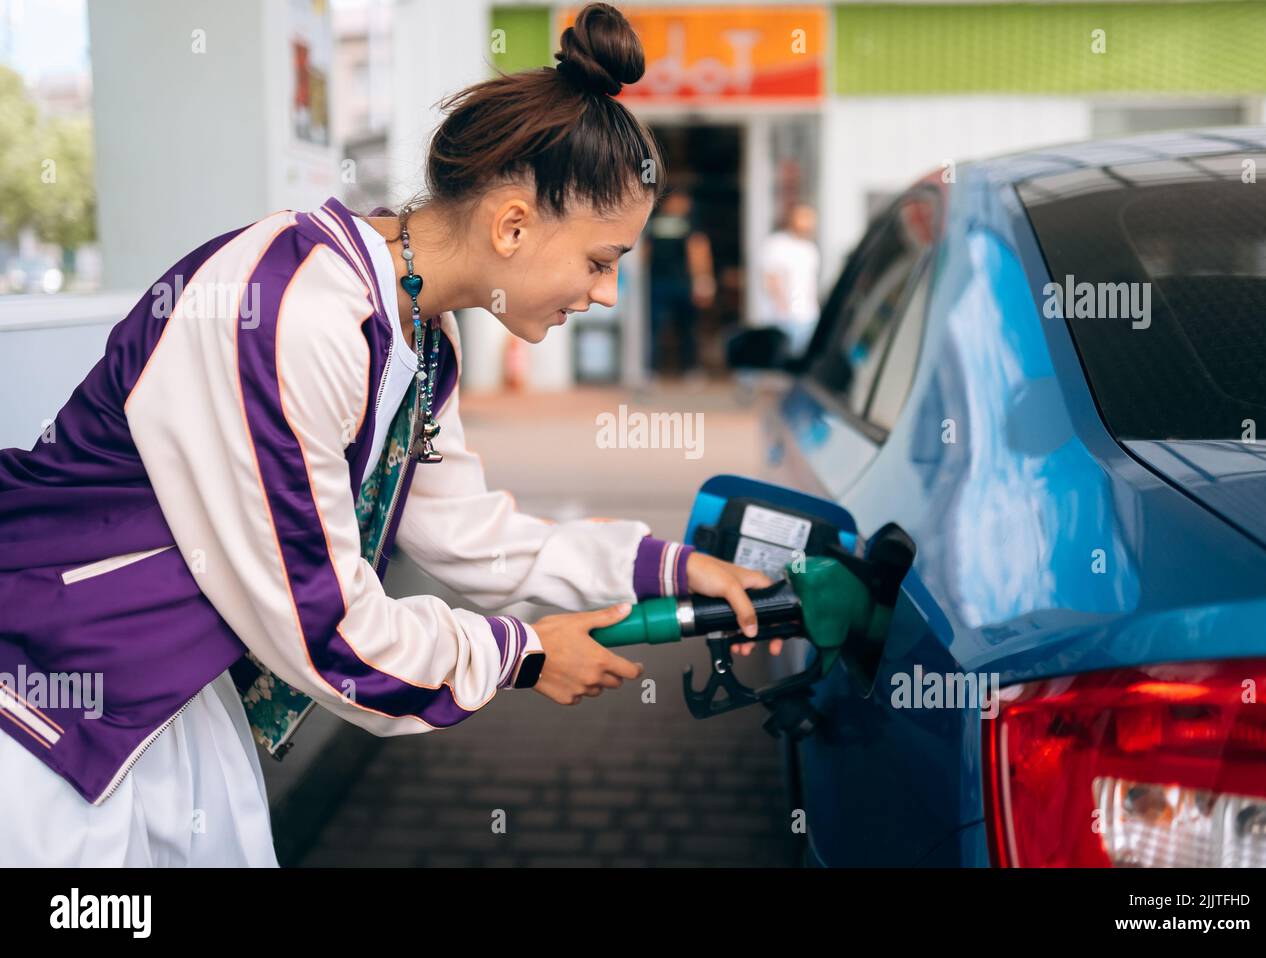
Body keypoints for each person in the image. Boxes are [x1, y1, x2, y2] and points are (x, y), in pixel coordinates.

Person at [0, 2, 779, 867]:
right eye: (601, 261)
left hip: (165, 700)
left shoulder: (415, 335)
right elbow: (325, 624)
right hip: (43, 718)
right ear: (513, 225)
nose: (605, 296)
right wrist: (518, 654)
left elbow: (470, 536)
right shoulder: (289, 312)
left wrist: (668, 567)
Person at [646, 189, 715, 377]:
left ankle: (685, 368)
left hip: (674, 283)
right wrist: (703, 280)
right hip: (666, 284)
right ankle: (655, 369)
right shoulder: (665, 222)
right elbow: (699, 251)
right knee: (665, 329)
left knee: (684, 328)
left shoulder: (653, 222)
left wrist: (702, 280)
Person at [756, 203, 821, 358]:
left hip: (809, 316)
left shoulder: (810, 249)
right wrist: (782, 309)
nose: (808, 223)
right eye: (803, 217)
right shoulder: (777, 245)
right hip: (784, 318)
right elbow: (771, 279)